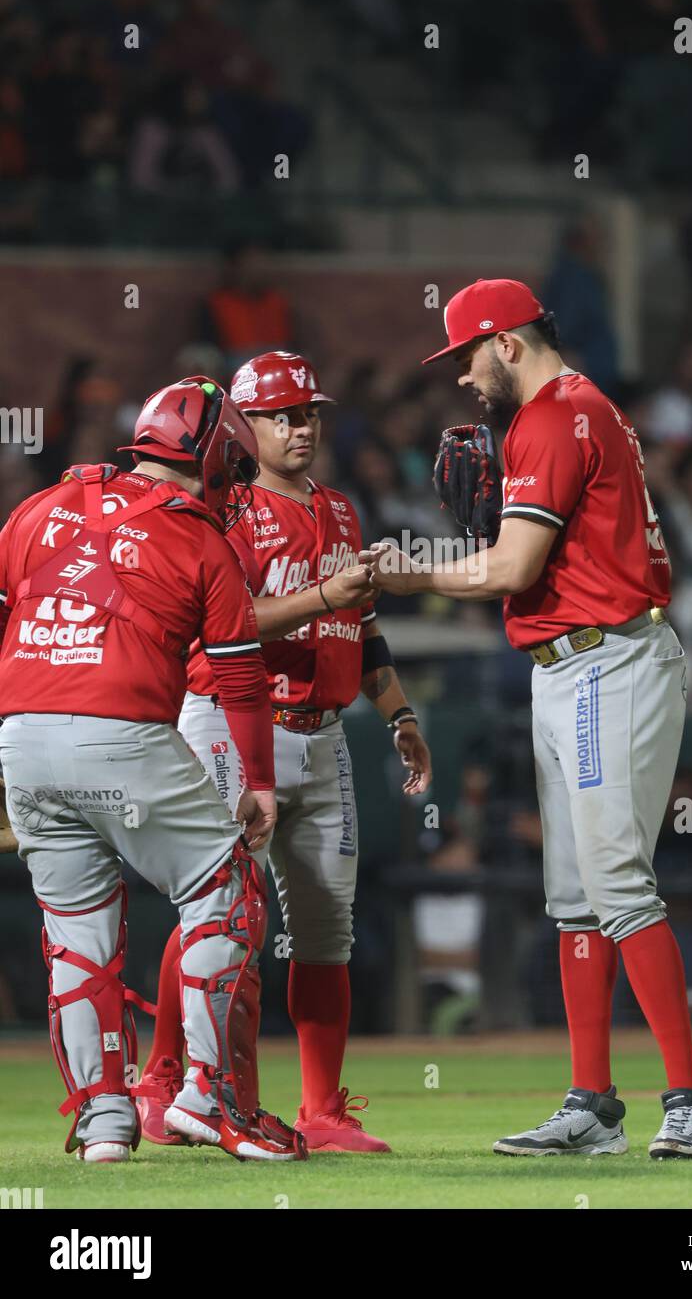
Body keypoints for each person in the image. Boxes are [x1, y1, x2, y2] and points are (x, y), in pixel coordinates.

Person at [366, 278, 692, 1160]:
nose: (459, 377)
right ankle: (592, 1106)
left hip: (607, 660)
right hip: (564, 665)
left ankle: (690, 1103)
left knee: (615, 883)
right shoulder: (562, 413)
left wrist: (409, 571)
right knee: (573, 900)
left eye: (465, 356)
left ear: (510, 343)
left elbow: (511, 567)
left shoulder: (558, 413)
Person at [0, 376, 305, 1162]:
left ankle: (104, 1120)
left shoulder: (37, 508)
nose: (236, 480)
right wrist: (259, 782)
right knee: (226, 892)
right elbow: (238, 678)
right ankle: (212, 1099)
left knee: (75, 937)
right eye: (232, 464)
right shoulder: (199, 534)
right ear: (210, 456)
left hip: (23, 741)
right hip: (122, 735)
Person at [136, 352, 432, 1153]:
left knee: (328, 927)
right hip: (236, 723)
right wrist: (323, 597)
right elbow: (220, 626)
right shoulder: (225, 506)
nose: (300, 427)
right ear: (244, 425)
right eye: (280, 415)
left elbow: (360, 622)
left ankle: (323, 1110)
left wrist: (398, 709)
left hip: (326, 732)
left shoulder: (339, 509)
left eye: (308, 414)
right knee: (218, 911)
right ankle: (162, 1079)